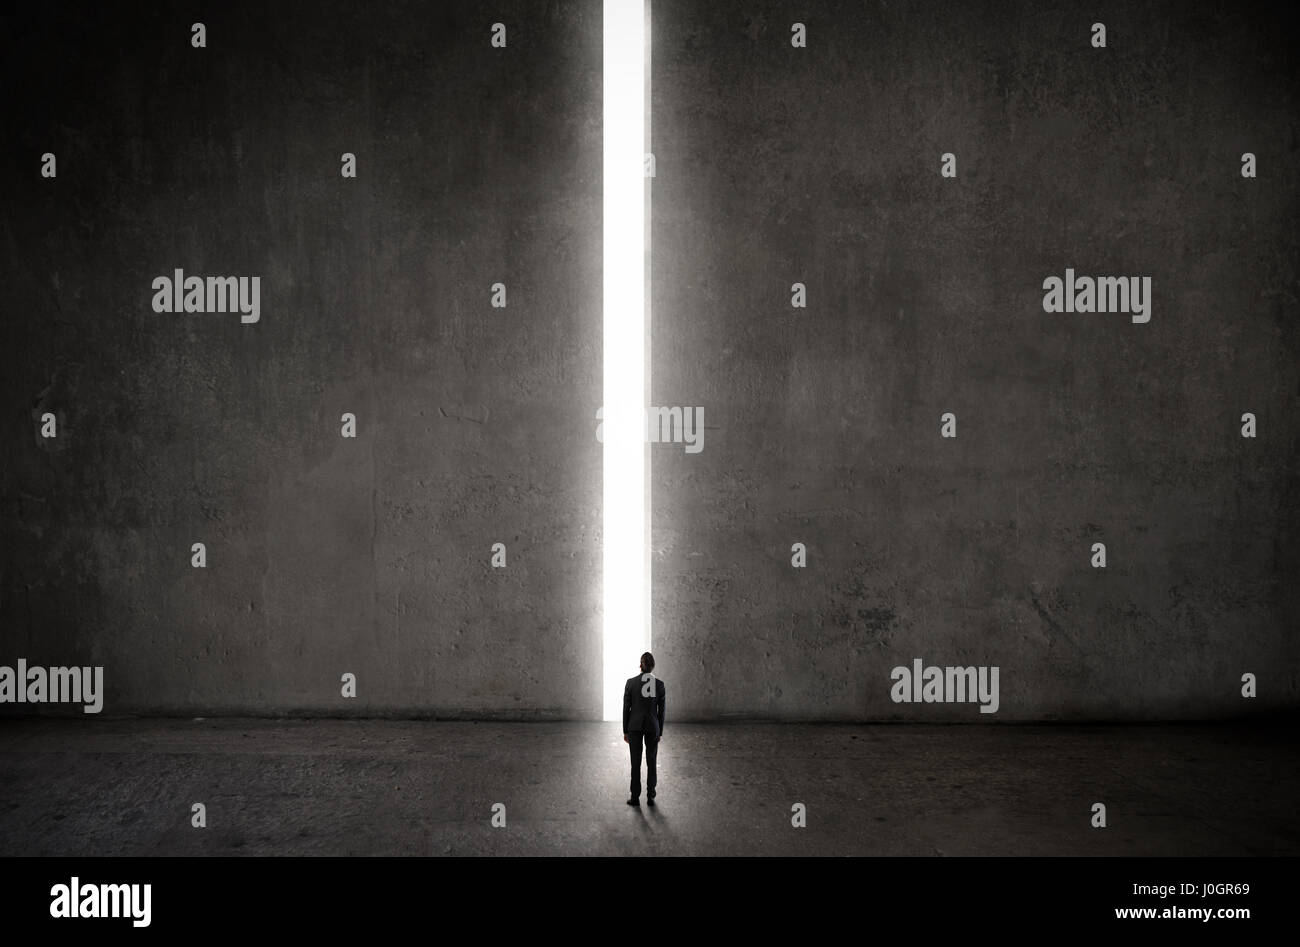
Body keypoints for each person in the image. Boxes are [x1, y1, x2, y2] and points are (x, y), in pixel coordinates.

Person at [623, 651, 666, 806]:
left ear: (640, 665)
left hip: (634, 726)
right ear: (653, 667)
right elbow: (662, 712)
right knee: (651, 760)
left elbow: (626, 708)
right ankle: (651, 796)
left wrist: (625, 730)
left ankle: (635, 797)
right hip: (652, 727)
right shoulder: (660, 685)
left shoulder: (630, 683)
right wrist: (660, 731)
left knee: (636, 762)